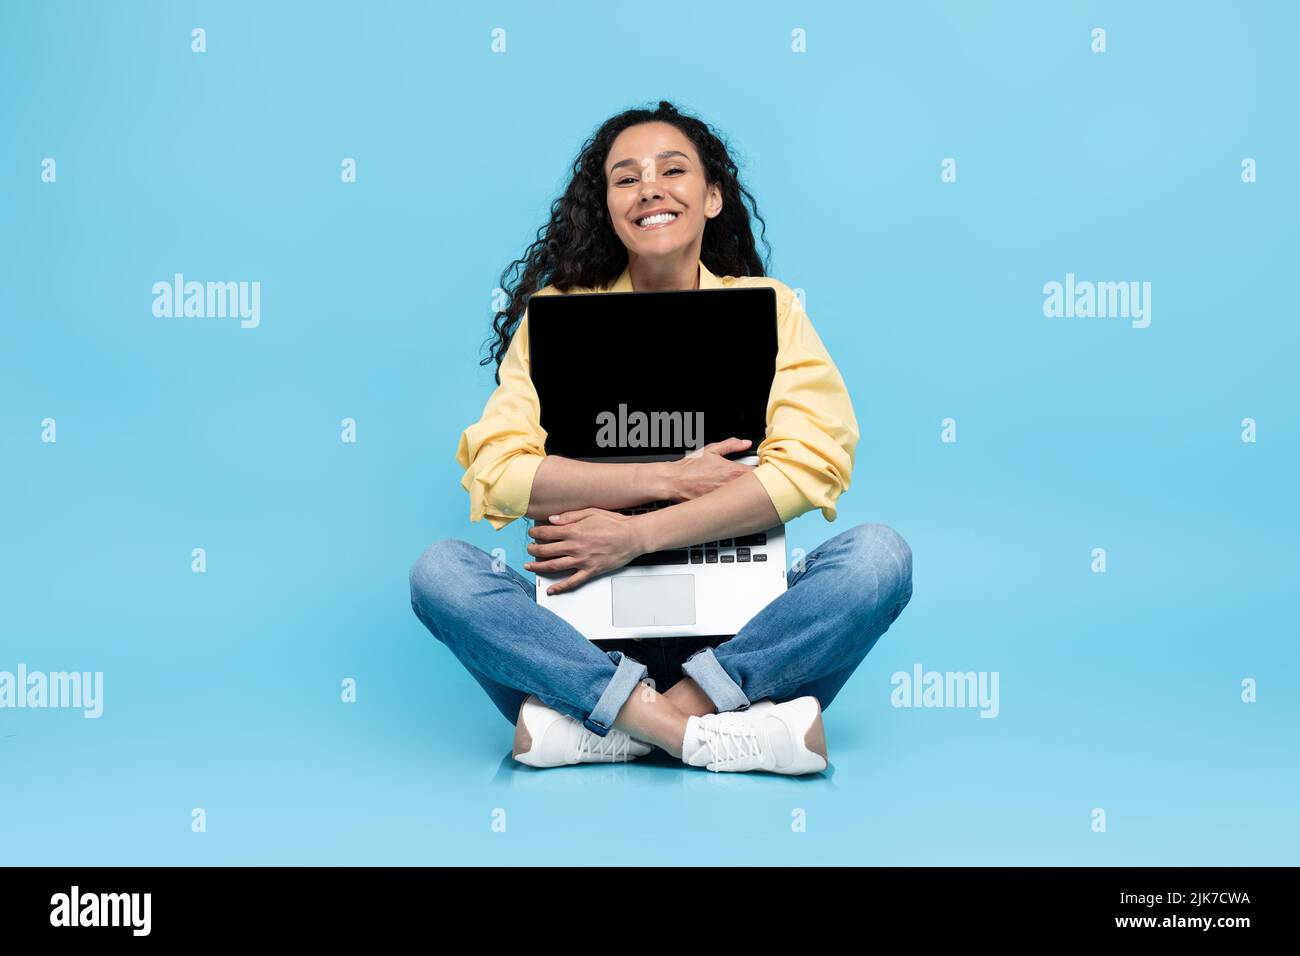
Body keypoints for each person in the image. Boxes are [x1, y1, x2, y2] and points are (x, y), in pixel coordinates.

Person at [409, 101, 913, 775]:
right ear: (608, 206)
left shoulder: (771, 309)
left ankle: (618, 724)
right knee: (440, 573)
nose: (649, 186)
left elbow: (807, 471)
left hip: (743, 631)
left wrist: (639, 534)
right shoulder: (557, 317)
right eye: (626, 177)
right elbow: (499, 474)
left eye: (672, 170)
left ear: (711, 197)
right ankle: (710, 734)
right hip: (587, 627)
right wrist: (665, 478)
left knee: (879, 558)